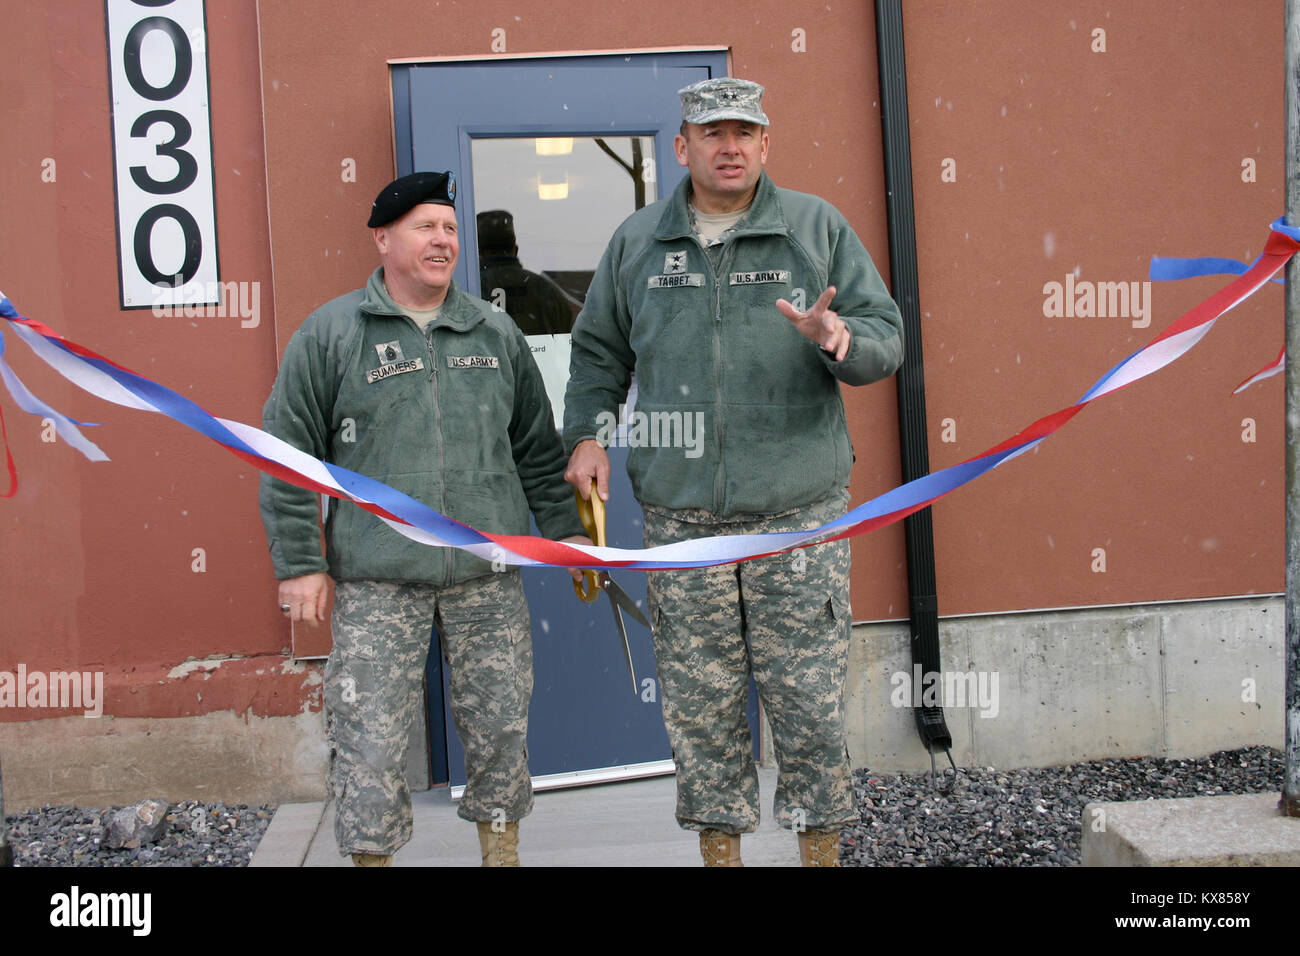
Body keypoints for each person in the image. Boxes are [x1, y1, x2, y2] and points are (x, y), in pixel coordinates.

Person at [562, 78, 904, 866]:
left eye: (744, 133)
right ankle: (722, 855)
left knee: (810, 707)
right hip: (686, 523)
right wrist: (587, 435)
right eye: (712, 133)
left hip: (798, 520)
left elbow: (886, 338)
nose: (729, 147)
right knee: (701, 709)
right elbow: (598, 354)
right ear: (680, 147)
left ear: (765, 145)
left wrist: (837, 337)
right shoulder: (637, 243)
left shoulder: (814, 228)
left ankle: (821, 853)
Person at [259, 171, 587, 867]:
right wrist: (300, 562)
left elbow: (535, 445)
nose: (442, 241)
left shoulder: (493, 331)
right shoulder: (333, 333)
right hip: (380, 580)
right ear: (383, 239)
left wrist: (566, 534)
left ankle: (501, 853)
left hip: (485, 576)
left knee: (501, 731)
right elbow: (287, 458)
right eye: (423, 228)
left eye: (448, 228)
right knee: (371, 741)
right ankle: (371, 859)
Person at [477, 209, 579, 335]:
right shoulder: (547, 291)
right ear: (515, 250)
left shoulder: (471, 290)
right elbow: (567, 337)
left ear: (479, 253)